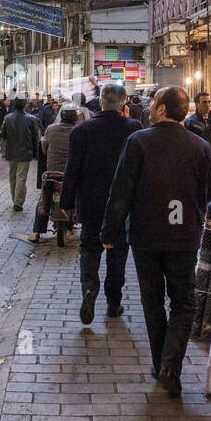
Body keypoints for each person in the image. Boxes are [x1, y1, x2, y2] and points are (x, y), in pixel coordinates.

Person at [101, 87, 211, 396]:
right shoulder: (201, 147)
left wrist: (110, 233)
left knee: (152, 301)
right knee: (184, 302)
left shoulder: (139, 142)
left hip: (146, 236)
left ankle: (160, 363)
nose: (150, 107)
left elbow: (121, 192)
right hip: (184, 236)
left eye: (153, 103)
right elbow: (210, 195)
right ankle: (169, 366)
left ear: (162, 109)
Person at [60, 83, 142, 323]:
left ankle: (89, 287)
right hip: (122, 205)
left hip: (91, 202)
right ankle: (113, 303)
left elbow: (71, 170)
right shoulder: (134, 129)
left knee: (89, 248)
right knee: (118, 253)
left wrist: (66, 202)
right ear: (124, 102)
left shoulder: (81, 131)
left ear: (101, 102)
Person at [31, 103, 80, 242]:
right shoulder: (79, 130)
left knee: (43, 200)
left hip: (52, 173)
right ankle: (72, 224)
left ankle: (36, 232)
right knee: (78, 198)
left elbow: (44, 148)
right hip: (71, 174)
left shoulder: (51, 129)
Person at [1, 97, 41, 212]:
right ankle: (18, 202)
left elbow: (2, 133)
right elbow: (36, 137)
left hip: (11, 151)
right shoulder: (31, 119)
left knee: (13, 177)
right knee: (21, 177)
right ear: (25, 105)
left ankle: (15, 200)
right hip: (25, 152)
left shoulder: (7, 118)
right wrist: (36, 153)